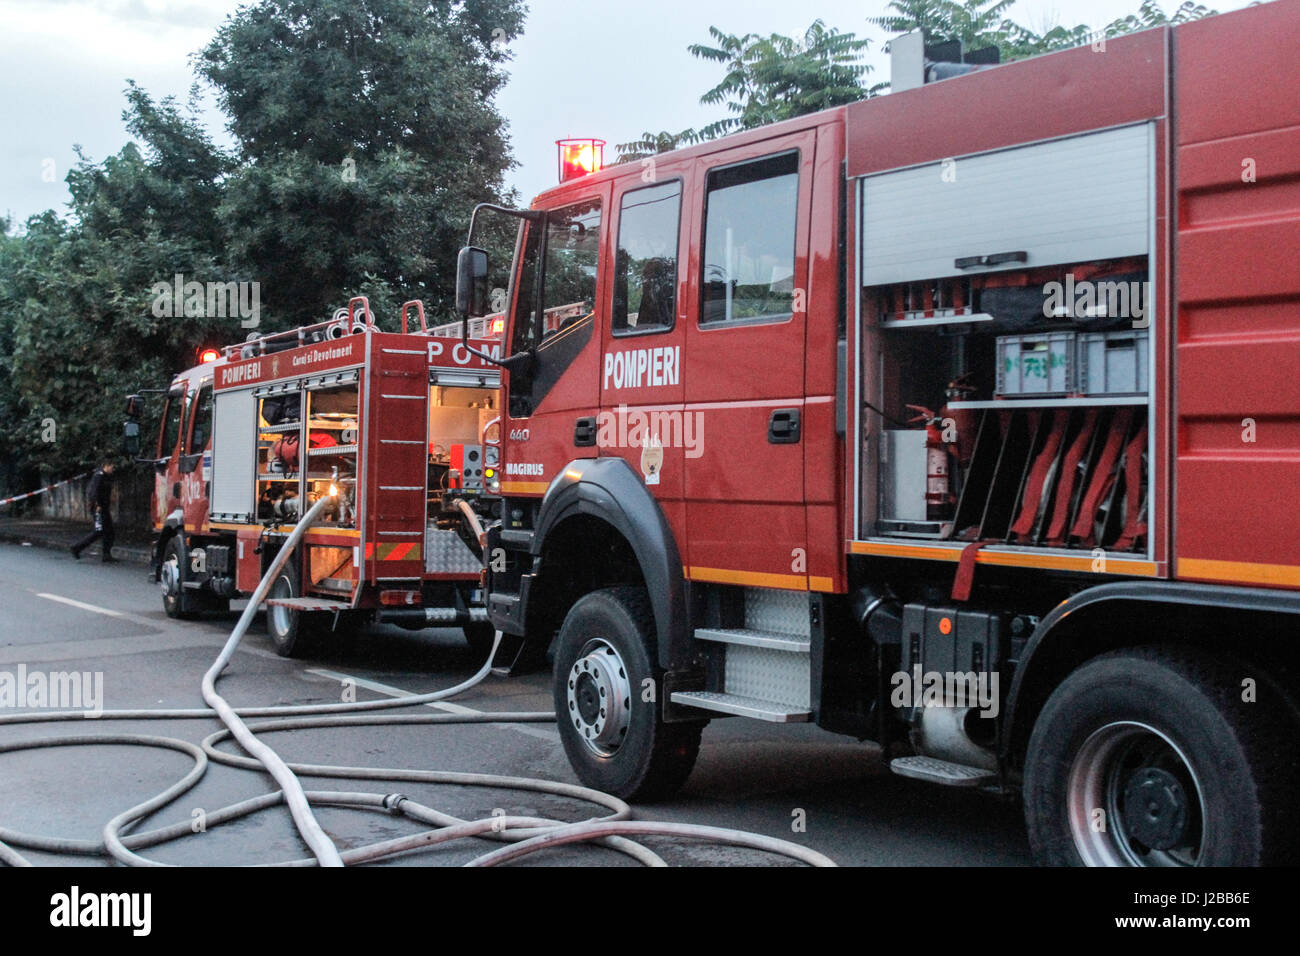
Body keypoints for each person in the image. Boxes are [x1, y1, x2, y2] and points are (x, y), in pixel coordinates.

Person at [71, 462, 118, 563]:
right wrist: (97, 504)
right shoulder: (98, 476)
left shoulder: (106, 477)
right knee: (99, 531)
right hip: (98, 508)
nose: (113, 469)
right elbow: (93, 491)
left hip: (104, 507)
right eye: (112, 467)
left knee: (110, 531)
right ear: (106, 465)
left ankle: (106, 555)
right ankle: (76, 548)